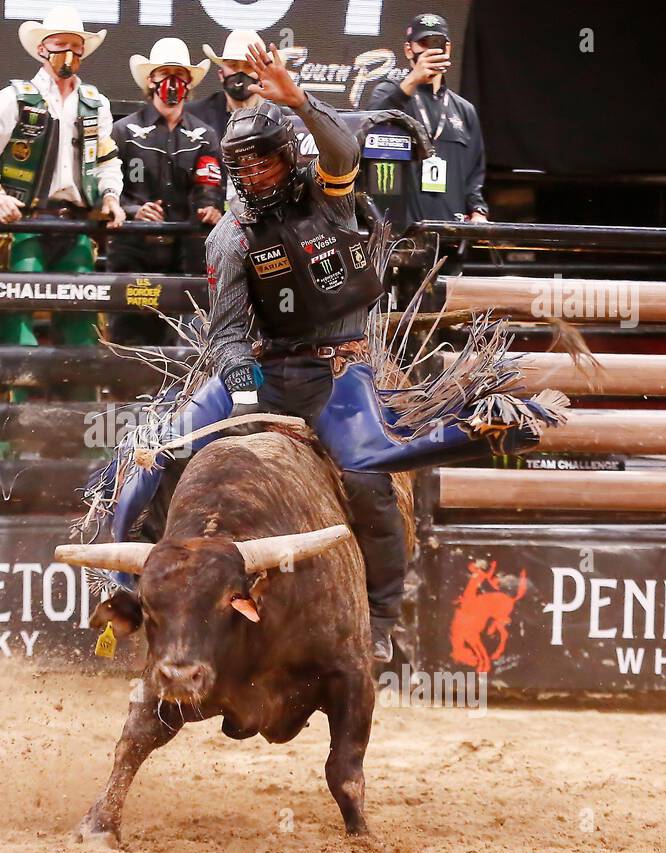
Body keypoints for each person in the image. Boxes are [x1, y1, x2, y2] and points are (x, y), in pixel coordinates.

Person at [98, 44, 565, 663]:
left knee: (367, 478)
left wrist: (297, 100)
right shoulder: (231, 235)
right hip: (262, 369)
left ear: (286, 156)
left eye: (264, 160)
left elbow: (342, 152)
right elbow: (230, 330)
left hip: (335, 370)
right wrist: (244, 398)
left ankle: (380, 615)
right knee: (155, 454)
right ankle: (128, 589)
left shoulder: (327, 196)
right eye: (242, 165)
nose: (254, 174)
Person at [0, 3, 124, 352]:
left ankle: (78, 387)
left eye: (75, 46)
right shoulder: (15, 98)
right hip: (26, 221)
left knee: (81, 322)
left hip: (77, 224)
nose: (68, 52)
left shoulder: (95, 103)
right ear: (42, 49)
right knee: (17, 315)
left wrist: (111, 196)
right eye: (59, 44)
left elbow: (107, 160)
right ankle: (15, 388)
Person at [108, 37, 224, 345]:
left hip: (185, 254)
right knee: (130, 342)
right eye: (165, 74)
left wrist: (210, 206)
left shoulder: (204, 135)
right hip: (132, 252)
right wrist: (134, 210)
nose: (172, 82)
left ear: (189, 82)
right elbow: (106, 186)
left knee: (186, 343)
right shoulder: (123, 131)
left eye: (179, 75)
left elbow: (210, 185)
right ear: (151, 80)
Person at [366, 13, 488, 229]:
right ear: (408, 50)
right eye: (423, 43)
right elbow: (368, 129)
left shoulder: (464, 110)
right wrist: (412, 81)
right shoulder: (389, 93)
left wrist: (478, 211)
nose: (430, 51)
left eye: (437, 43)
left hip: (450, 231)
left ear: (448, 49)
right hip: (399, 232)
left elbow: (474, 174)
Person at [187, 30, 268, 142]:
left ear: (262, 76)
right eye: (233, 65)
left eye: (249, 66)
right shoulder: (194, 116)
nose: (240, 72)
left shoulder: (278, 120)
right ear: (221, 74)